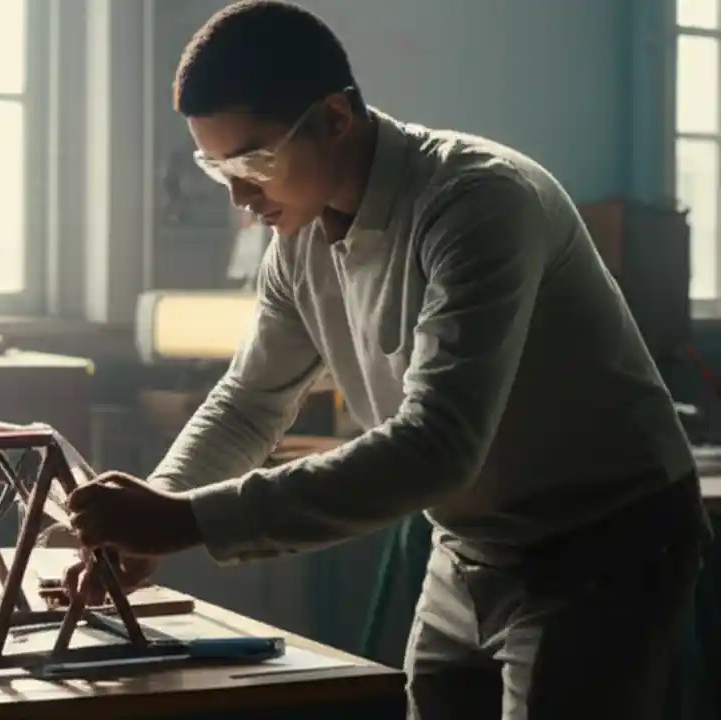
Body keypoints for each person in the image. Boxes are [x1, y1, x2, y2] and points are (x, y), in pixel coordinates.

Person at [62, 1, 711, 717]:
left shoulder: (479, 202)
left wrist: (186, 519)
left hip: (605, 541)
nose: (242, 198)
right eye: (218, 169)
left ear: (335, 118)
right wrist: (151, 521)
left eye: (253, 161)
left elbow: (438, 446)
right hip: (468, 547)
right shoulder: (298, 243)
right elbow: (250, 402)